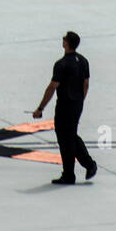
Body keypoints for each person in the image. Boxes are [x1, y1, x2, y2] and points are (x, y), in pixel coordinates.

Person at [33, 33, 97, 185]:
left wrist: (40, 108)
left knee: (65, 139)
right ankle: (79, 169)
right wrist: (80, 100)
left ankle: (78, 170)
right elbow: (86, 84)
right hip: (77, 103)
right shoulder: (83, 61)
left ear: (66, 43)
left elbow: (52, 87)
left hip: (65, 105)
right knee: (70, 136)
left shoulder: (61, 64)